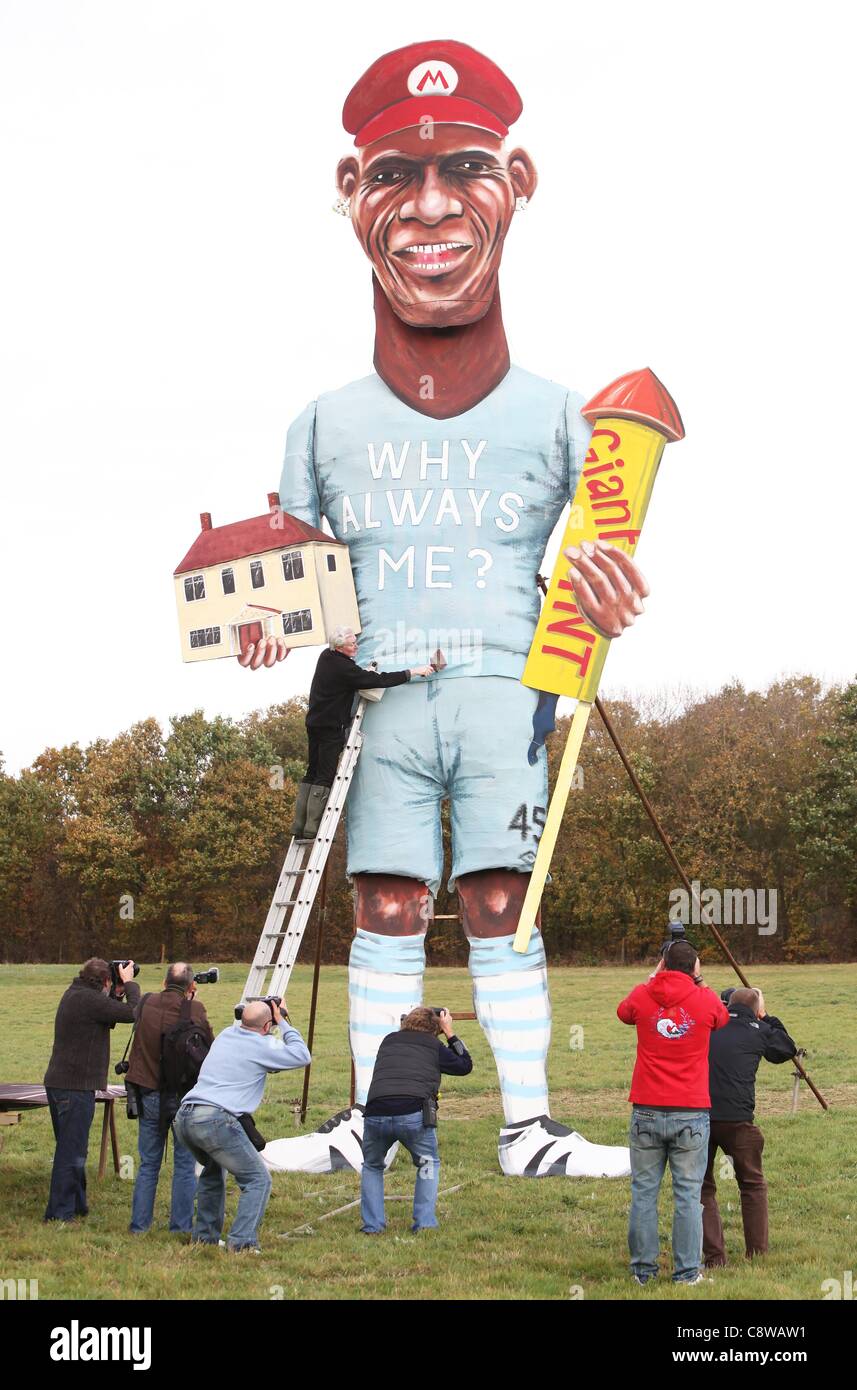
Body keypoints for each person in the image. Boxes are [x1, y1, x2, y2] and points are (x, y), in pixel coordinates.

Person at [236, 40, 649, 1180]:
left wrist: (609, 582)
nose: (427, 205)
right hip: (377, 702)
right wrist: (275, 626)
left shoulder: (567, 413)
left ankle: (527, 1130)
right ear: (347, 190)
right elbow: (293, 573)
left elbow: (611, 537)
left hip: (504, 688)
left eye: (463, 167)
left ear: (517, 180)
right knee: (382, 900)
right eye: (389, 174)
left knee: (499, 897)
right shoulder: (320, 421)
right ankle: (372, 1123)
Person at [617, 941, 730, 1285]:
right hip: (690, 1111)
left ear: (664, 964)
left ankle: (643, 1271)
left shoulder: (643, 994)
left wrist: (654, 975)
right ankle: (685, 1272)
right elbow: (722, 1019)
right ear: (695, 967)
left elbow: (623, 1012)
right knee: (687, 1196)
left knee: (644, 1192)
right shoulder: (705, 999)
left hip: (647, 1109)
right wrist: (700, 982)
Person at [172, 998, 310, 1252]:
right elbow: (302, 1055)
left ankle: (205, 1239)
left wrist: (266, 1014)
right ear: (268, 1025)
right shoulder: (263, 1045)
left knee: (213, 1174)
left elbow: (251, 1025)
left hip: (184, 1118)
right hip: (214, 1120)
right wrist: (282, 1019)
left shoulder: (226, 1035)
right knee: (258, 1180)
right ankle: (242, 1243)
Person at [287, 626, 433, 840]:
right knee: (325, 776)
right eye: (352, 643)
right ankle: (312, 828)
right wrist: (413, 671)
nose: (356, 646)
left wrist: (361, 674)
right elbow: (379, 681)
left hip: (315, 722)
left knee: (312, 771)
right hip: (331, 727)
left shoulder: (326, 657)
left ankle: (299, 824)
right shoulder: (344, 669)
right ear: (340, 646)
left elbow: (352, 677)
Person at [702, 985, 796, 1267]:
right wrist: (766, 1016)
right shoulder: (759, 1030)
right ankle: (757, 1253)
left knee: (702, 1188)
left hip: (699, 1116)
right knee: (752, 1185)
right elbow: (785, 1049)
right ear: (756, 1009)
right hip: (739, 1120)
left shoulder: (710, 1025)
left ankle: (715, 1258)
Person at [43, 957, 140, 1222]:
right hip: (73, 1087)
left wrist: (115, 993)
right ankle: (59, 1214)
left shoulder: (78, 994)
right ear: (106, 981)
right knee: (71, 1151)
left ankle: (77, 1205)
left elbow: (106, 1012)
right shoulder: (89, 999)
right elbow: (134, 1012)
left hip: (62, 1083)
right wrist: (130, 984)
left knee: (71, 1147)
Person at [360, 1006, 472, 1235]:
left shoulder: (389, 1041)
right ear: (436, 1028)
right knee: (427, 1164)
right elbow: (464, 1065)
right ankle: (424, 1223)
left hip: (375, 1113)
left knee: (372, 1166)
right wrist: (449, 1032)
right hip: (413, 1115)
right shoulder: (434, 1045)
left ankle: (372, 1226)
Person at [126, 962, 214, 1236]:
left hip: (148, 1091)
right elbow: (208, 1044)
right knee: (184, 1165)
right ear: (191, 987)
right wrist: (192, 1004)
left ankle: (139, 1226)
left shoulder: (146, 1003)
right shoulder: (195, 1009)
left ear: (164, 983)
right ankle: (180, 1227)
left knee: (148, 1163)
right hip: (182, 1096)